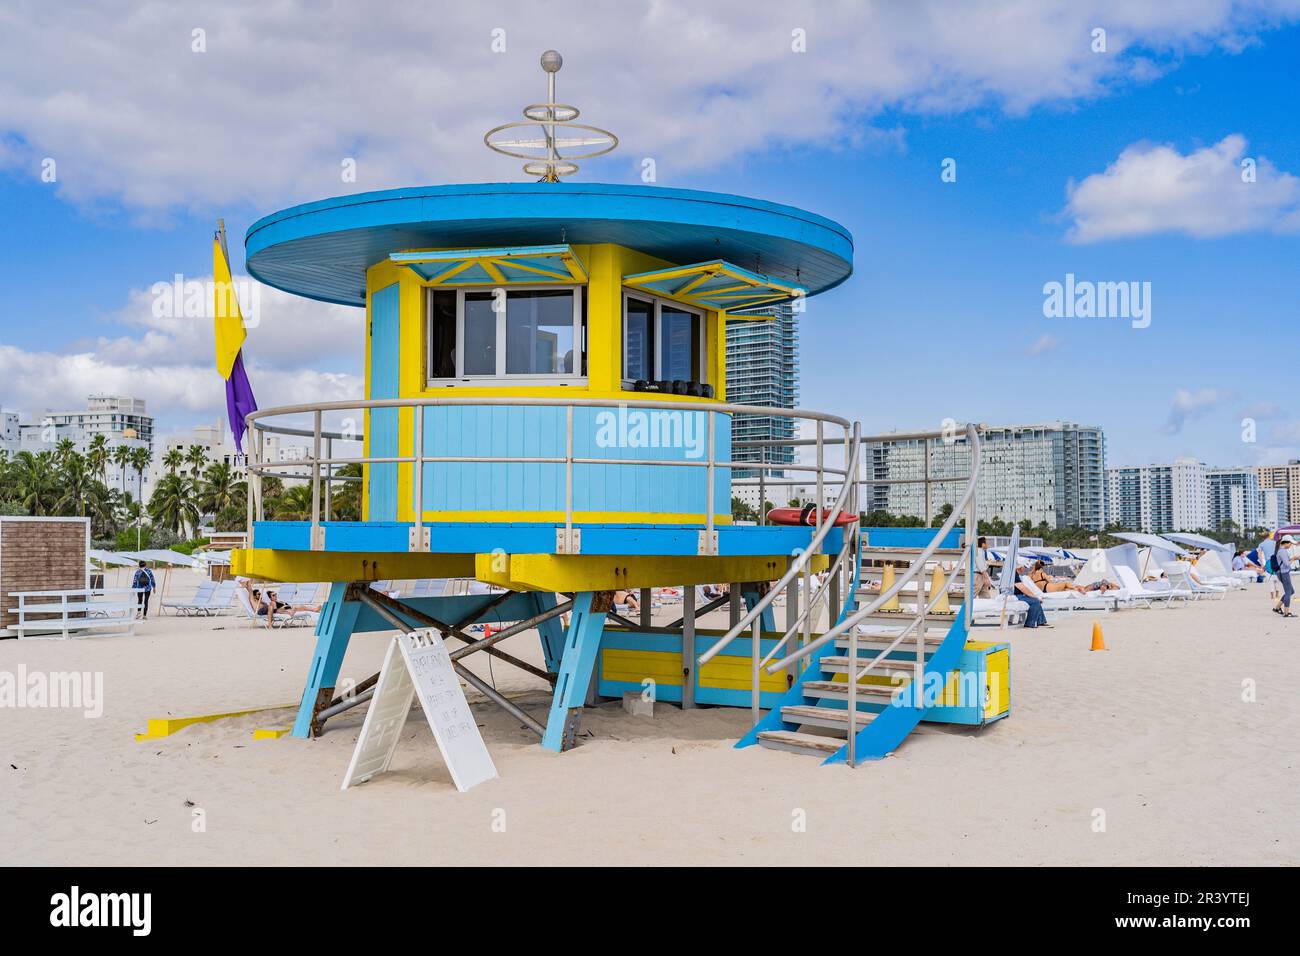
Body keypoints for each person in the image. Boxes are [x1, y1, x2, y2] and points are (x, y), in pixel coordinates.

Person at [1028, 560, 1118, 594]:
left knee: (1066, 588)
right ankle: (1080, 589)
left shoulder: (1032, 574)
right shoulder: (1042, 573)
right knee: (1066, 583)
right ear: (1042, 567)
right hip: (1047, 587)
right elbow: (1049, 581)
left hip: (1043, 589)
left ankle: (1078, 589)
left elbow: (1029, 578)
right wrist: (1050, 577)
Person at [1012, 562, 1050, 628]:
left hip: (1018, 595)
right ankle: (1029, 623)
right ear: (1020, 568)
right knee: (1035, 601)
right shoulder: (1014, 575)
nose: (1025, 569)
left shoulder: (1016, 575)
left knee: (1035, 600)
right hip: (1015, 596)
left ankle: (1041, 621)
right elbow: (1023, 588)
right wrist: (1035, 597)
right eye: (1024, 567)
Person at [1273, 536, 1295, 617]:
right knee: (1289, 592)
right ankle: (1286, 613)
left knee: (1291, 591)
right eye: (1290, 543)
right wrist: (1293, 559)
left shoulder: (1281, 550)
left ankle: (1277, 607)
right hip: (1284, 573)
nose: (1290, 545)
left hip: (1281, 573)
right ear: (1286, 543)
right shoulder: (1282, 551)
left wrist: (1292, 559)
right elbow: (1287, 564)